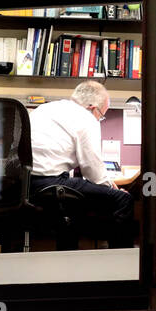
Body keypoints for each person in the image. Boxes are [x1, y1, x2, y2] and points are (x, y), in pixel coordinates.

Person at [28, 81, 135, 248]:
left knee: (76, 206)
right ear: (92, 108)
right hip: (50, 182)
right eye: (102, 114)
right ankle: (121, 262)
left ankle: (69, 257)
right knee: (123, 199)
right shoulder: (86, 118)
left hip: (25, 185)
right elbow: (92, 170)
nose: (100, 119)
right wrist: (111, 187)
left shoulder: (46, 109)